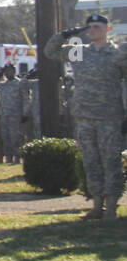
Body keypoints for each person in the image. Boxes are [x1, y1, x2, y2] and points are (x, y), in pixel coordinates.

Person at [43, 14, 127, 220]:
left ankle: (112, 207)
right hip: (84, 117)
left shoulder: (117, 54)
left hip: (110, 117)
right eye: (89, 27)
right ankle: (97, 205)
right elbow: (50, 52)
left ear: (107, 30)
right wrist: (63, 35)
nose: (92, 30)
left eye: (97, 27)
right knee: (91, 162)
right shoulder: (80, 53)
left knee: (111, 162)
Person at [0, 63, 26, 163]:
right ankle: (8, 157)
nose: (8, 73)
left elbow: (26, 99)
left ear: (14, 71)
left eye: (10, 70)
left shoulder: (20, 83)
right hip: (4, 115)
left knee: (16, 137)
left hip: (16, 115)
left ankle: (17, 157)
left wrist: (25, 113)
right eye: (6, 71)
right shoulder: (2, 85)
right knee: (5, 137)